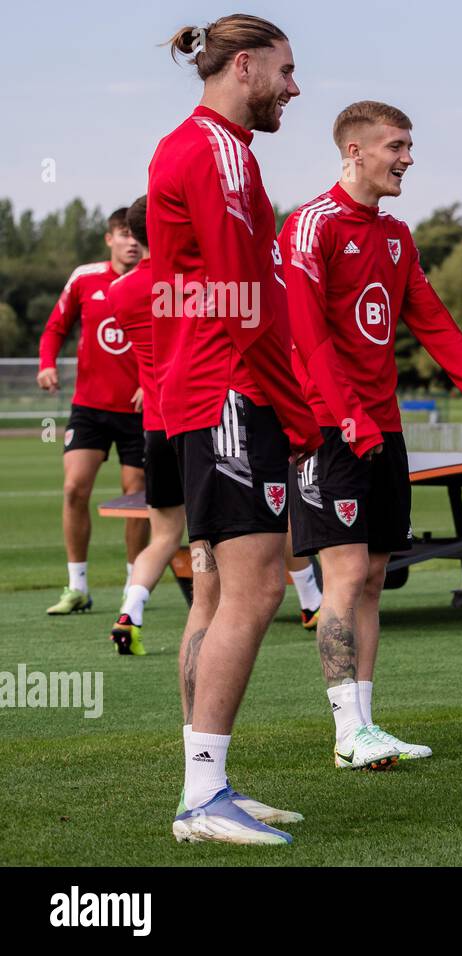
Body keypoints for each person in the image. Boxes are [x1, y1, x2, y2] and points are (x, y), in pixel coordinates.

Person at [282, 100, 462, 770]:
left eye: (410, 146)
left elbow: (431, 320)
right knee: (345, 574)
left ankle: (365, 729)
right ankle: (346, 729)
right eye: (397, 146)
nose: (408, 158)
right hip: (328, 427)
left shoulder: (397, 236)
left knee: (376, 576)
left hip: (381, 427)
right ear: (354, 150)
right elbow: (305, 330)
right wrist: (345, 412)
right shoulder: (310, 226)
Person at [149, 13, 323, 845]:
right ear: (245, 66)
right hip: (230, 391)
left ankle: (207, 785)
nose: (295, 87)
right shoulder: (214, 150)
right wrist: (299, 410)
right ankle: (200, 799)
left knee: (217, 591)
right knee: (255, 588)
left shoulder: (216, 152)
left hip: (210, 389)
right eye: (286, 71)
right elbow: (239, 298)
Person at [38, 208, 147, 615]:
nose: (131, 241)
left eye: (136, 235)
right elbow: (55, 327)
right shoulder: (85, 278)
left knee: (136, 498)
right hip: (89, 407)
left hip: (140, 410)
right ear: (109, 239)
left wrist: (149, 383)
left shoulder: (157, 281)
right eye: (123, 234)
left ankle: (133, 584)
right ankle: (77, 586)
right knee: (73, 488)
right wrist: (47, 362)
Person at [105, 196, 184, 656]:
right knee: (219, 536)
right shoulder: (195, 280)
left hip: (155, 425)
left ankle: (129, 612)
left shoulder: (120, 291)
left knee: (165, 535)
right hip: (204, 422)